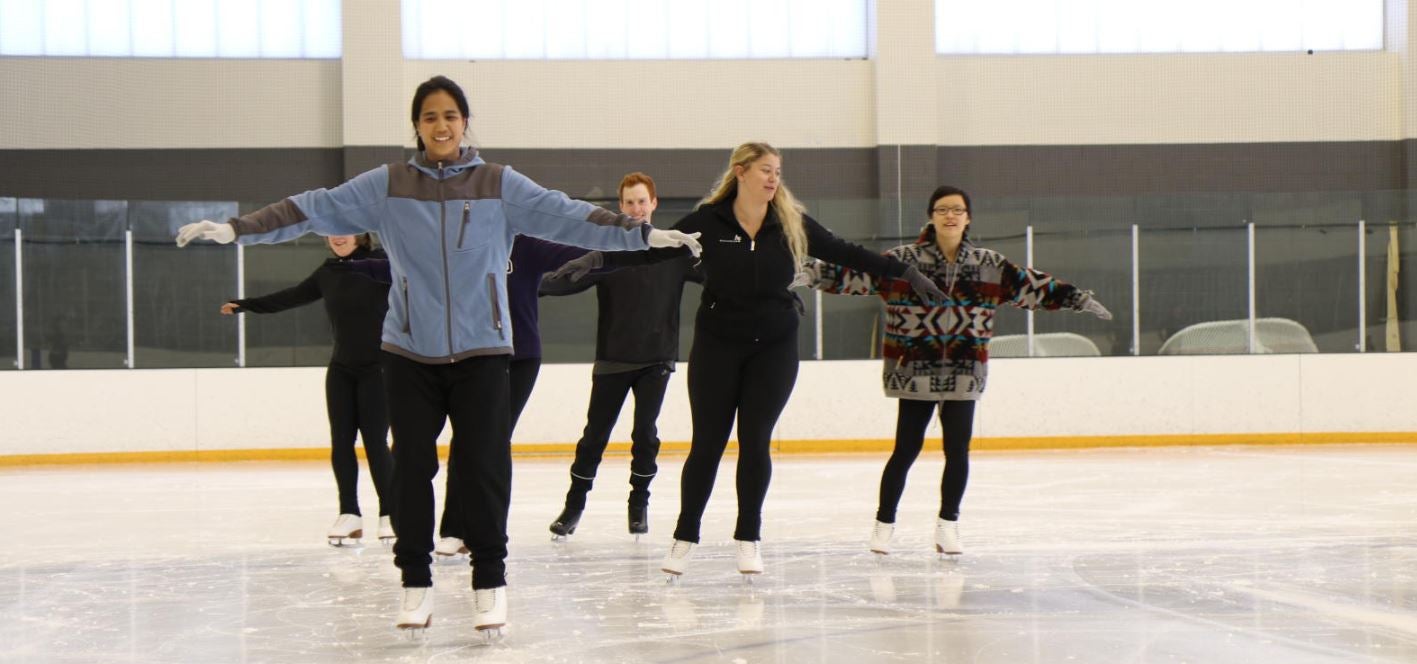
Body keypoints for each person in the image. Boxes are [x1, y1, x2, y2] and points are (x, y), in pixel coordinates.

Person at [175, 75, 701, 637]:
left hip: (483, 351)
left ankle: (490, 582)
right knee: (411, 473)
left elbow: (569, 216)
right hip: (408, 351)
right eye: (430, 117)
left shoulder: (499, 184)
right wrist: (236, 229)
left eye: (451, 115)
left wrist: (643, 235)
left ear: (465, 122)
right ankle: (415, 583)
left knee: (484, 469)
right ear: (417, 126)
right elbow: (313, 209)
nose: (441, 125)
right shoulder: (389, 185)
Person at [552, 143, 945, 577]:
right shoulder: (708, 221)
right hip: (718, 343)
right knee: (708, 444)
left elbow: (846, 251)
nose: (774, 178)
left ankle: (748, 537)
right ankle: (685, 537)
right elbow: (652, 251)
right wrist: (597, 259)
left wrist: (904, 273)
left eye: (777, 171)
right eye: (765, 170)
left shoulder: (791, 223)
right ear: (740, 172)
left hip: (774, 346)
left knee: (755, 440)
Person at [809, 185, 1111, 557]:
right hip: (914, 368)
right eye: (942, 209)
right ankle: (883, 525)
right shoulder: (904, 261)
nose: (950, 216)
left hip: (965, 369)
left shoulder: (989, 265)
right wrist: (812, 273)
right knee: (905, 450)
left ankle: (947, 525)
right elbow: (856, 275)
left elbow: (1030, 286)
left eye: (957, 210)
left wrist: (1076, 298)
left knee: (958, 450)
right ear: (931, 216)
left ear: (968, 218)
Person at [539, 172, 702, 540]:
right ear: (621, 207)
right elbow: (566, 281)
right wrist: (528, 286)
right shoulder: (609, 255)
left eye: (642, 201)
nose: (636, 208)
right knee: (594, 436)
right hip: (613, 359)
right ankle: (573, 507)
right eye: (629, 203)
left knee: (645, 434)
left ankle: (638, 504)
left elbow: (720, 278)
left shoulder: (674, 255)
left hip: (656, 360)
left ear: (654, 204)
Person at [221, 234, 395, 547]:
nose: (338, 237)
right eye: (332, 232)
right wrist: (247, 306)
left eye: (345, 231)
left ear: (361, 235)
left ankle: (391, 513)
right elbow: (291, 297)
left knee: (375, 442)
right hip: (341, 369)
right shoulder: (329, 272)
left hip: (378, 369)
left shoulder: (384, 265)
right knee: (341, 441)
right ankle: (349, 514)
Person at [432, 234, 590, 559]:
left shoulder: (528, 246)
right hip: (476, 353)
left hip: (521, 357)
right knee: (465, 438)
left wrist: (631, 237)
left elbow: (581, 250)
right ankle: (454, 528)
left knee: (493, 439)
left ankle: (488, 529)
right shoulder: (466, 243)